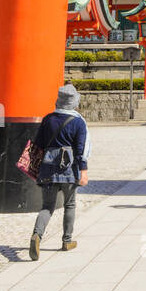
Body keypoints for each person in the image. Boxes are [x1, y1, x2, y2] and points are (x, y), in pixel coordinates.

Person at [28, 83, 91, 260]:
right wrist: (83, 171)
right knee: (69, 204)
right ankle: (67, 240)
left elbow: (38, 144)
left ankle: (36, 235)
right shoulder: (78, 122)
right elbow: (79, 150)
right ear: (74, 103)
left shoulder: (48, 119)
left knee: (47, 206)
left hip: (48, 165)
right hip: (69, 166)